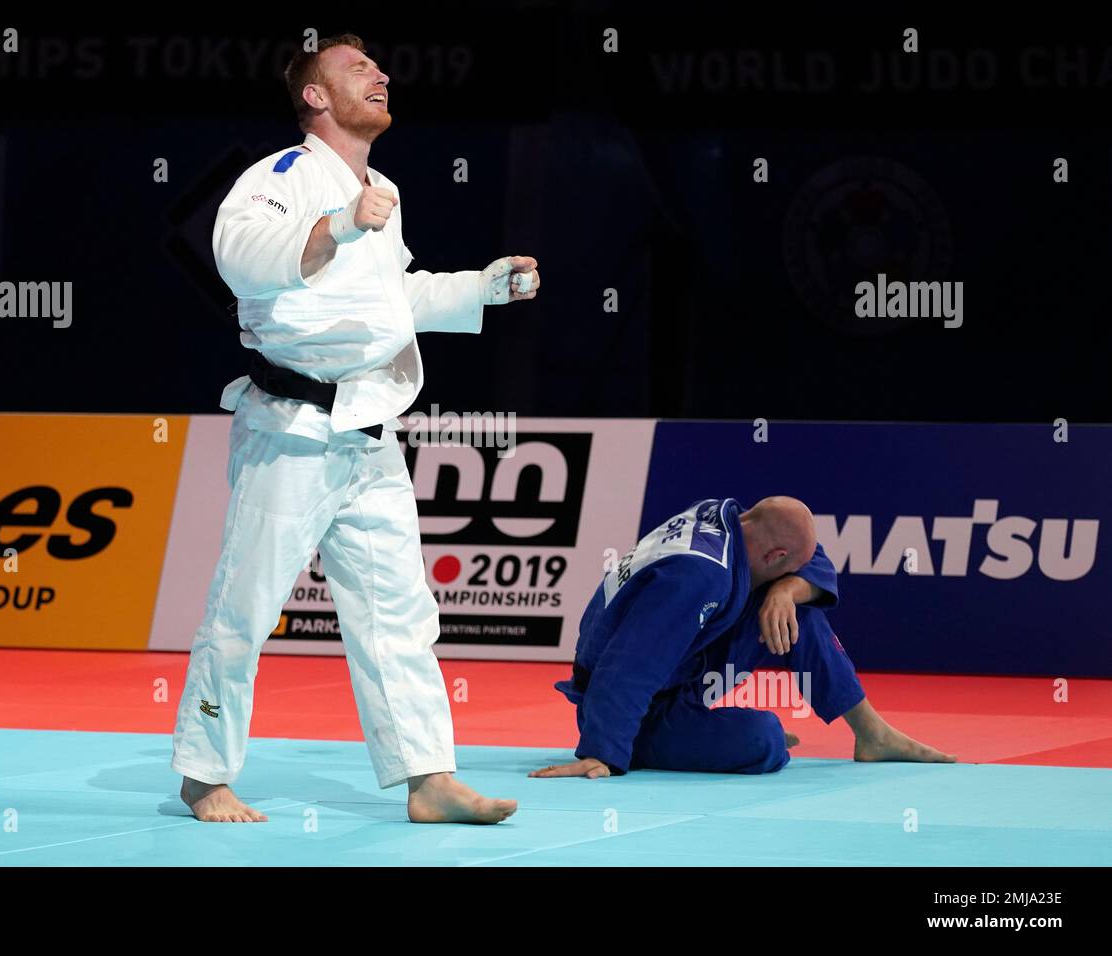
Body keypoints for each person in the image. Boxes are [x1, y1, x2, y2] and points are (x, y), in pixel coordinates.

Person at [173, 33, 537, 824]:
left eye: (379, 67)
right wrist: (336, 225)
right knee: (246, 606)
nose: (382, 75)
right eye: (358, 69)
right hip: (291, 433)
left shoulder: (383, 188)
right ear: (314, 95)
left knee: (399, 611)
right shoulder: (279, 179)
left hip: (370, 434)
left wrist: (484, 287)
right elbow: (238, 259)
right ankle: (204, 775)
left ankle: (428, 778)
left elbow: (391, 302)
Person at [531, 496, 956, 779]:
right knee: (762, 740)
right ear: (773, 556)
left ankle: (872, 733)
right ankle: (700, 737)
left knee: (796, 611)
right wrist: (602, 752)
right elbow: (631, 662)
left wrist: (786, 589)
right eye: (784, 568)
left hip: (679, 670)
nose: (792, 571)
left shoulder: (725, 518)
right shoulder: (698, 577)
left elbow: (811, 555)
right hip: (629, 705)